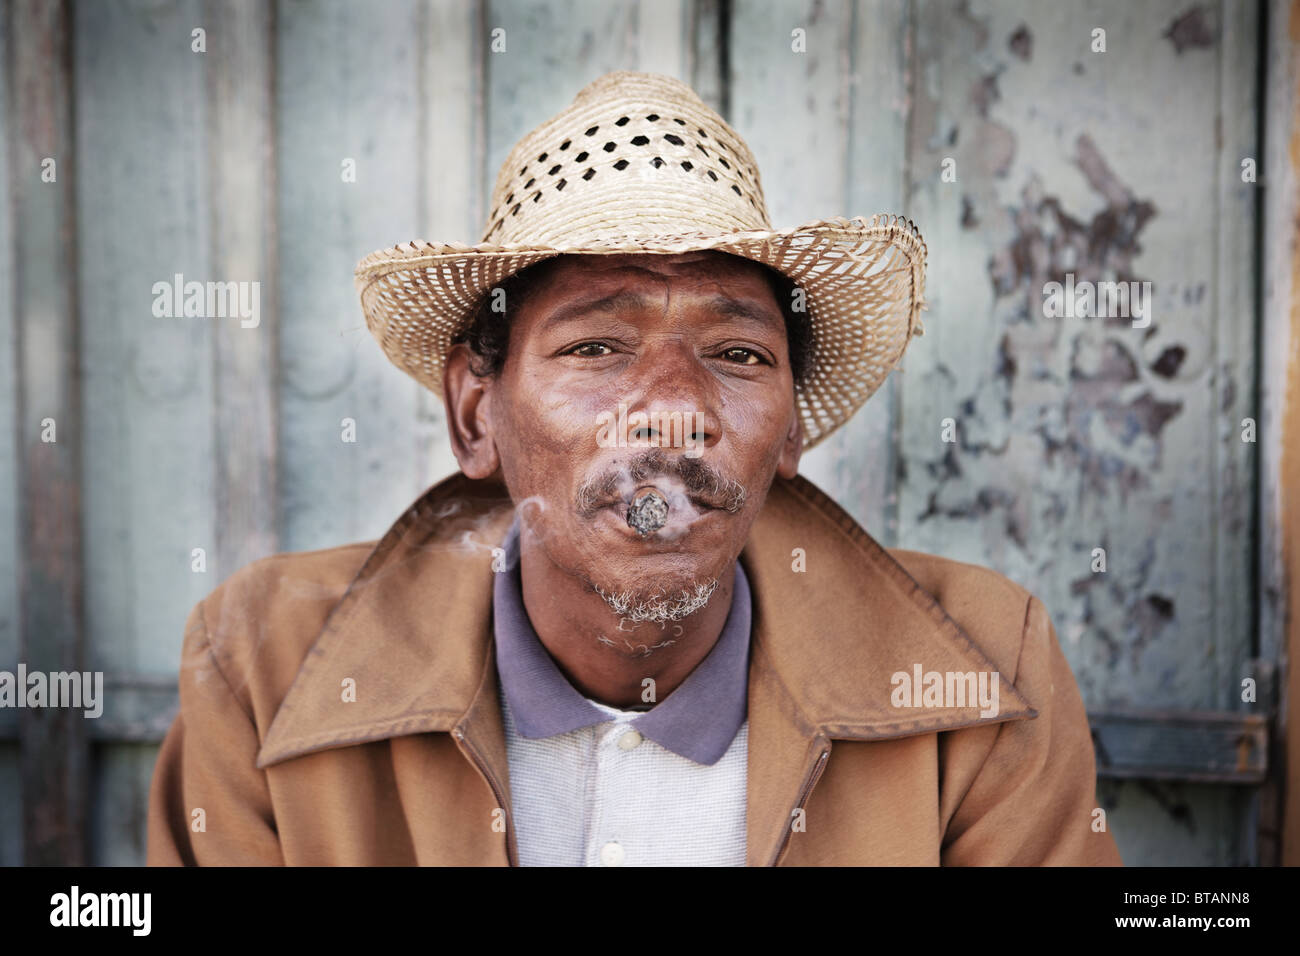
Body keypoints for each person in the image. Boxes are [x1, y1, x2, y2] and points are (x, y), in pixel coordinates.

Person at [147, 70, 1121, 866]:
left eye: (737, 354)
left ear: (789, 433)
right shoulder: (266, 671)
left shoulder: (981, 678)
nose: (671, 410)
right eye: (596, 347)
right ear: (475, 410)